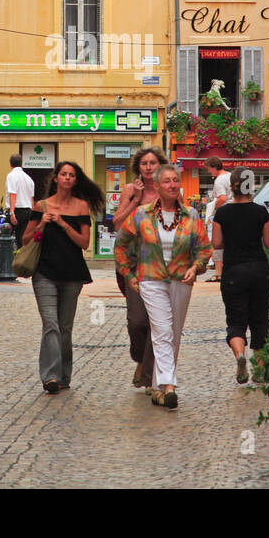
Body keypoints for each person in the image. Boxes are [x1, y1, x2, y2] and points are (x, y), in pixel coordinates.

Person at [114, 164, 211, 410]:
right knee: (162, 329)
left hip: (181, 279)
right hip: (151, 279)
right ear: (156, 186)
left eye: (175, 180)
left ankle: (158, 386)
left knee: (174, 333)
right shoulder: (141, 214)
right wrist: (129, 273)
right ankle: (169, 385)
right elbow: (121, 245)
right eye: (166, 181)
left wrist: (196, 267)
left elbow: (204, 248)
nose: (172, 185)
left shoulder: (191, 215)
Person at [21, 161, 104, 395]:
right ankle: (50, 377)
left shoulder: (81, 207)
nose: (67, 178)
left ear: (75, 180)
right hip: (44, 272)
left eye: (71, 175)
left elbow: (84, 242)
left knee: (65, 328)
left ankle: (64, 375)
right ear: (56, 178)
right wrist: (43, 224)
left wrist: (63, 224)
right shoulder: (41, 206)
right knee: (51, 325)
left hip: (71, 273)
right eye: (63, 174)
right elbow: (27, 239)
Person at [212, 167, 269, 384]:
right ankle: (259, 369)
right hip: (259, 269)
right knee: (259, 319)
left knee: (236, 320)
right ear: (252, 185)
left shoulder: (222, 213)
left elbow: (216, 243)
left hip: (233, 271)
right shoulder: (260, 212)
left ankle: (240, 355)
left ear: (232, 186)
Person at [112, 146, 165, 390]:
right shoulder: (131, 190)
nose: (148, 167)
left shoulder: (169, 190)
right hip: (132, 261)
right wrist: (134, 200)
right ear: (138, 168)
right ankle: (140, 359)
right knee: (136, 321)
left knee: (156, 320)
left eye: (153, 163)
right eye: (144, 163)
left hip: (160, 262)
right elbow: (117, 223)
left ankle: (147, 372)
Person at [204, 155, 231, 281]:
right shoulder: (230, 176)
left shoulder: (219, 180)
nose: (209, 171)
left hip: (224, 214)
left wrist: (214, 206)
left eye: (209, 168)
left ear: (214, 167)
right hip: (234, 212)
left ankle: (219, 273)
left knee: (217, 242)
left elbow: (223, 198)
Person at [4, 153, 36, 248]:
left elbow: (13, 194)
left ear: (10, 164)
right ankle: (21, 259)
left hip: (17, 210)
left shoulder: (11, 176)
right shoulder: (28, 179)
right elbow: (31, 199)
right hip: (28, 211)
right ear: (21, 164)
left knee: (4, 233)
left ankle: (8, 259)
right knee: (21, 239)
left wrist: (12, 212)